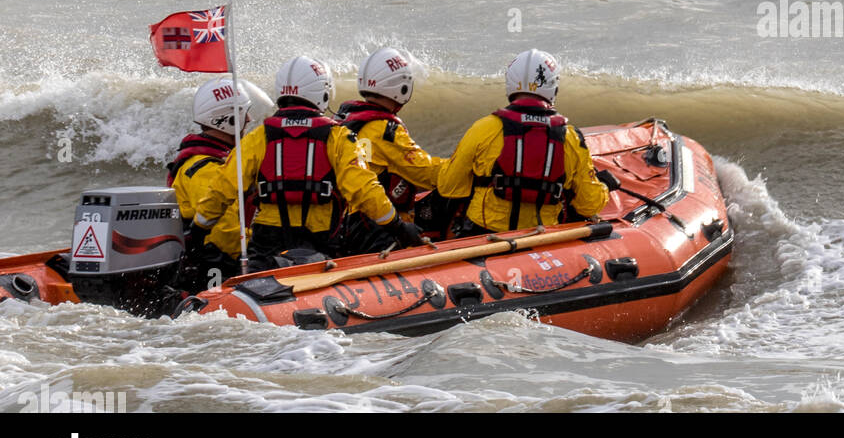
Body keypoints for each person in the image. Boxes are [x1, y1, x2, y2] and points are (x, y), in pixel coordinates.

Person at [190, 56, 425, 270]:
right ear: (322, 94)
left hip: (267, 241)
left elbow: (222, 190)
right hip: (318, 240)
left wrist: (198, 231)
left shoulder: (258, 137)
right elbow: (364, 190)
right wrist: (398, 226)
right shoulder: (338, 137)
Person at [436, 50, 610, 234]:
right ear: (553, 87)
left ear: (510, 84)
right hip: (542, 236)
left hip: (482, 231)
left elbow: (449, 186)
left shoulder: (483, 128)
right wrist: (603, 187)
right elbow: (589, 205)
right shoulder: (571, 138)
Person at [334, 48, 446, 251]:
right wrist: (464, 165)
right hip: (375, 226)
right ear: (402, 87)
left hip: (343, 222)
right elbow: (429, 174)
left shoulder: (345, 120)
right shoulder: (385, 131)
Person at [167, 78, 251, 290]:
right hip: (213, 266)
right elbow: (225, 234)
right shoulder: (205, 168)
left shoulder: (218, 160)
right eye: (243, 113)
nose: (249, 119)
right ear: (228, 119)